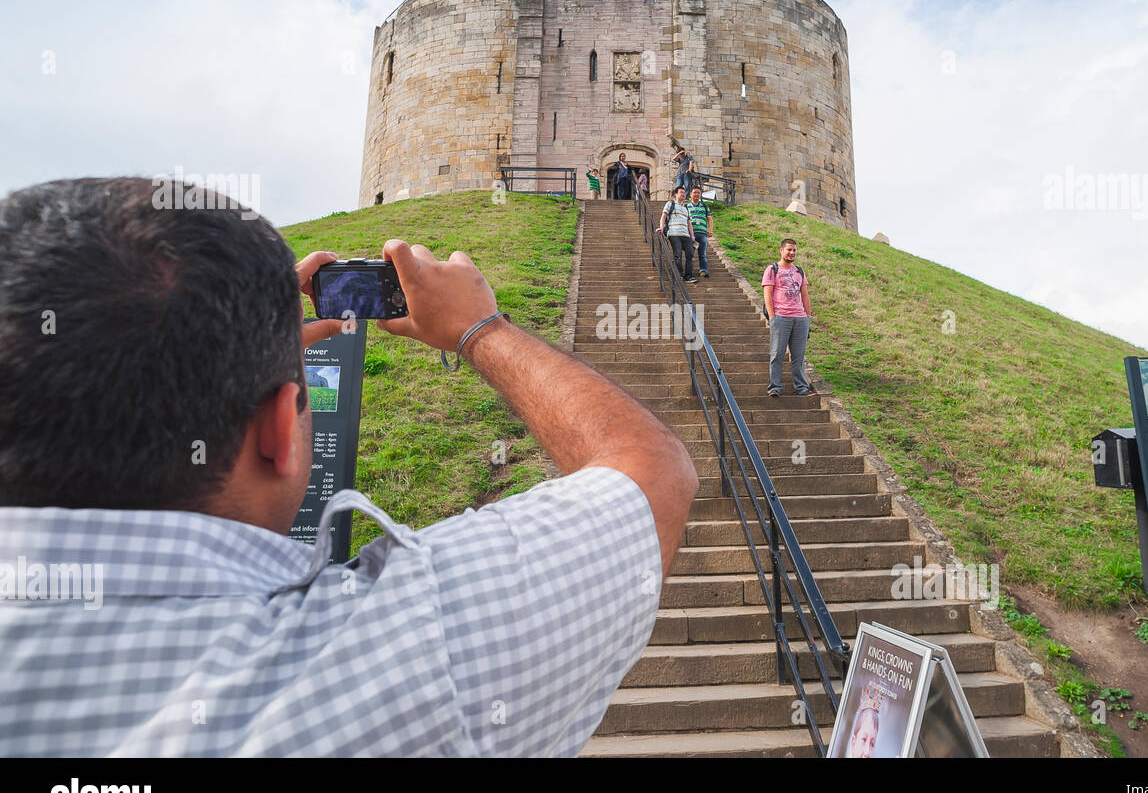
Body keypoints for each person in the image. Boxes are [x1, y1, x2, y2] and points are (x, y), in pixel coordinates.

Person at [0, 177, 697, 757]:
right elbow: (650, 472)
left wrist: (245, 356)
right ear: (281, 427)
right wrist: (480, 328)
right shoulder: (398, 658)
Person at [762, 238, 815, 397]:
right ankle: (775, 387)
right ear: (781, 250)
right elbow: (767, 295)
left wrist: (807, 316)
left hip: (800, 319)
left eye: (794, 250)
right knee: (777, 354)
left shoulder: (799, 271)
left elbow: (805, 295)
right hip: (781, 317)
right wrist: (772, 317)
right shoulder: (772, 269)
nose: (792, 253)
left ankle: (801, 388)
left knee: (798, 356)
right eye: (789, 250)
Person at [657, 186, 696, 283]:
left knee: (690, 254)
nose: (683, 194)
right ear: (675, 194)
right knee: (677, 254)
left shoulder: (686, 207)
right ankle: (678, 275)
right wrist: (661, 228)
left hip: (686, 235)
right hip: (674, 234)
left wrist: (692, 235)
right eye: (681, 192)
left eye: (684, 192)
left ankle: (689, 276)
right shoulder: (670, 203)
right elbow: (663, 216)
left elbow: (689, 223)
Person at [686, 185, 712, 278]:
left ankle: (703, 270)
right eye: (694, 192)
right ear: (690, 194)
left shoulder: (705, 206)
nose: (696, 194)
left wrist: (710, 229)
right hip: (691, 234)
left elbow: (709, 218)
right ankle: (689, 271)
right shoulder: (686, 206)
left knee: (703, 253)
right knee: (690, 253)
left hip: (702, 234)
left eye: (698, 193)